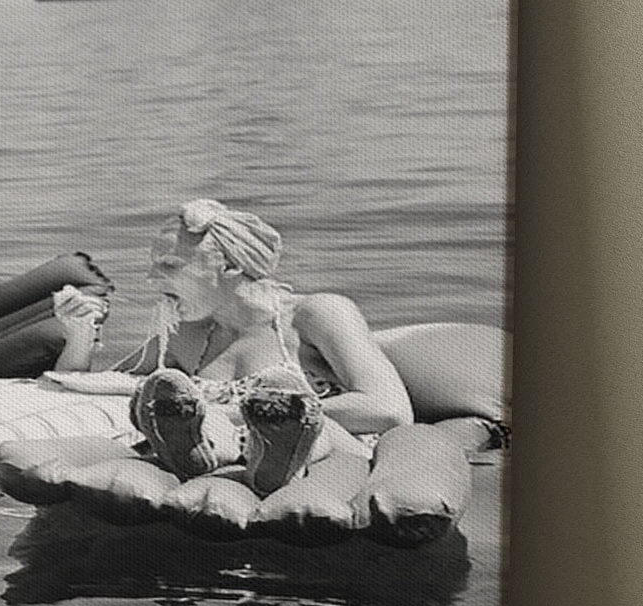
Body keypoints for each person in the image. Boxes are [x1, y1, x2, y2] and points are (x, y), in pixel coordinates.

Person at [47, 199, 411, 518]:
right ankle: (204, 452)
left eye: (170, 266)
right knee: (179, 416)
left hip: (322, 456)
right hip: (227, 463)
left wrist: (235, 413)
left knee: (295, 427)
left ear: (232, 267)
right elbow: (87, 385)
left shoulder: (314, 315)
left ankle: (267, 444)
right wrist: (80, 331)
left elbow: (389, 409)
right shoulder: (186, 332)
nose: (150, 279)